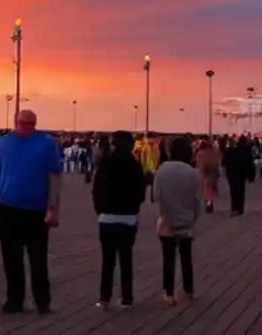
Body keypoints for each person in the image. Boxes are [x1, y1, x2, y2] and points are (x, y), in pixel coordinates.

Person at [0, 110, 63, 314]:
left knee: (38, 257)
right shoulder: (3, 143)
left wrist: (53, 208)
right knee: (11, 257)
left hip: (36, 210)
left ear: (35, 124)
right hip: (7, 208)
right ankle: (15, 299)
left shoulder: (47, 143)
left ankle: (42, 300)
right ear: (16, 122)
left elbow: (54, 176)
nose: (26, 127)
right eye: (23, 123)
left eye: (30, 124)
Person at [93, 131, 145, 309]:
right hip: (128, 218)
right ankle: (127, 297)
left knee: (108, 260)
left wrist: (100, 210)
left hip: (107, 218)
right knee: (126, 258)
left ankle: (104, 297)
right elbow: (140, 191)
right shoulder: (134, 165)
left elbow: (96, 189)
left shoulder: (106, 164)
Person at [155, 136, 201, 306]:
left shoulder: (161, 170)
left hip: (166, 220)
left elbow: (155, 196)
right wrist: (193, 218)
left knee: (168, 259)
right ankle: (188, 291)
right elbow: (197, 200)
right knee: (186, 257)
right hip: (186, 220)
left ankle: (168, 293)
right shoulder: (192, 172)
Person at [223, 136, 256, 216]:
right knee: (241, 190)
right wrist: (251, 176)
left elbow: (224, 162)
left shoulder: (231, 150)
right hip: (241, 174)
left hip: (231, 173)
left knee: (233, 191)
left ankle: (234, 208)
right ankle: (240, 208)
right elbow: (250, 164)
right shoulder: (246, 150)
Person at [195, 140, 220, 213]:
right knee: (210, 191)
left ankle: (208, 205)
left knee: (207, 191)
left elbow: (199, 165)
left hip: (205, 174)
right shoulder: (213, 153)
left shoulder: (200, 154)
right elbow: (217, 164)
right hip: (212, 173)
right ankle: (209, 204)